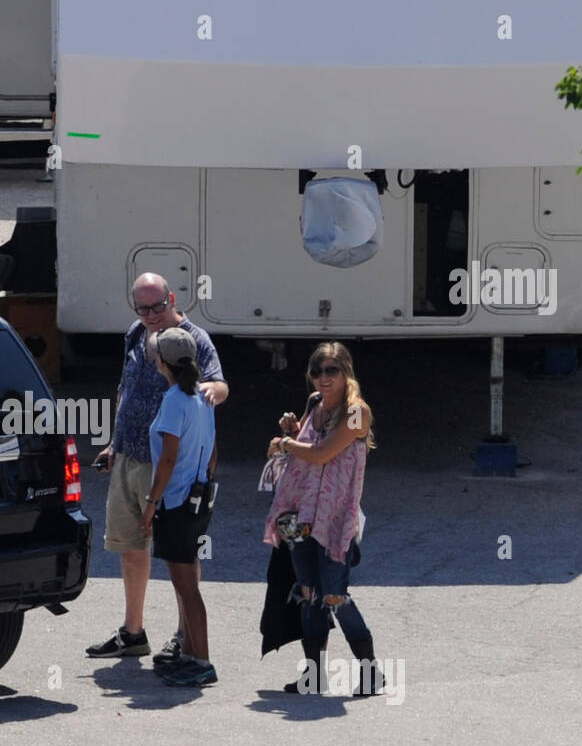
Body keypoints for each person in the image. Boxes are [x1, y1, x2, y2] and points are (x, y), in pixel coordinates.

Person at [86, 273, 228, 667]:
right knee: (130, 546)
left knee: (178, 554)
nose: (150, 315)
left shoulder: (193, 340)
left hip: (167, 465)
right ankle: (133, 633)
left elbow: (219, 385)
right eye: (142, 308)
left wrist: (208, 392)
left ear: (171, 298)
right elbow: (124, 388)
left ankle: (185, 639)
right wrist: (114, 442)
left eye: (157, 306)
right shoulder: (135, 333)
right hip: (128, 455)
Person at [262, 342, 382, 696]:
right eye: (317, 372)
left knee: (334, 595)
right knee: (308, 592)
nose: (324, 378)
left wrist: (285, 442)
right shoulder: (315, 404)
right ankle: (313, 678)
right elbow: (310, 442)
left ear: (346, 371)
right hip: (298, 513)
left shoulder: (358, 412)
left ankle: (372, 672)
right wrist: (295, 427)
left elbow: (321, 453)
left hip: (334, 519)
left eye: (332, 370)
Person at [140, 328, 218, 687]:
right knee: (187, 584)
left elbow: (168, 458)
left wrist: (152, 502)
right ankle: (190, 655)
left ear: (162, 362)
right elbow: (213, 452)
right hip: (198, 501)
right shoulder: (202, 398)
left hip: (176, 504)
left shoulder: (174, 399)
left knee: (186, 587)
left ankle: (201, 661)